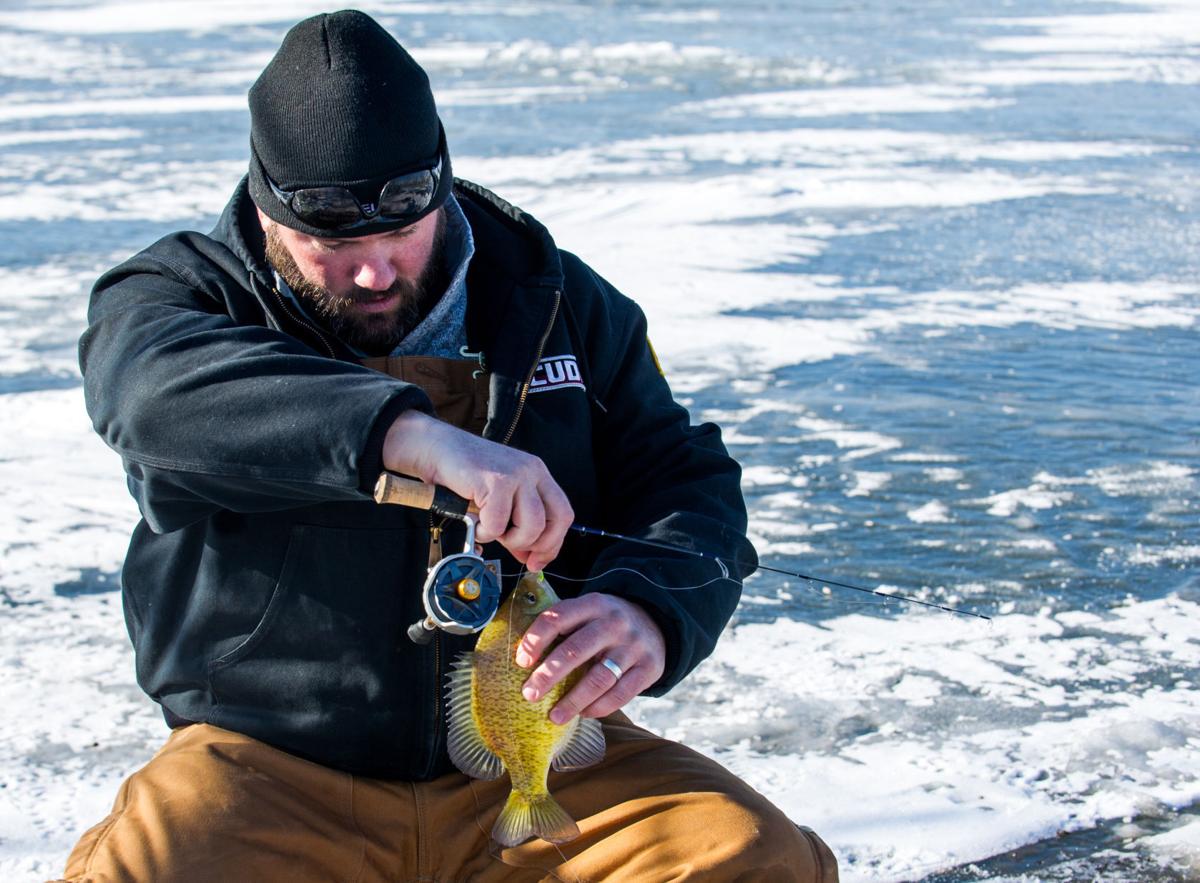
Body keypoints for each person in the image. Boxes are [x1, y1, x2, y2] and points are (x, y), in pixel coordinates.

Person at [62, 10, 838, 882]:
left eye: (401, 229)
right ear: (267, 211)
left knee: (757, 858)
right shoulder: (179, 299)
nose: (374, 271)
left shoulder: (560, 303)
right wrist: (414, 438)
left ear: (441, 185)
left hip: (530, 755)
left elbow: (685, 481)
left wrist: (651, 608)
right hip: (268, 768)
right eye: (334, 243)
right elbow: (151, 394)